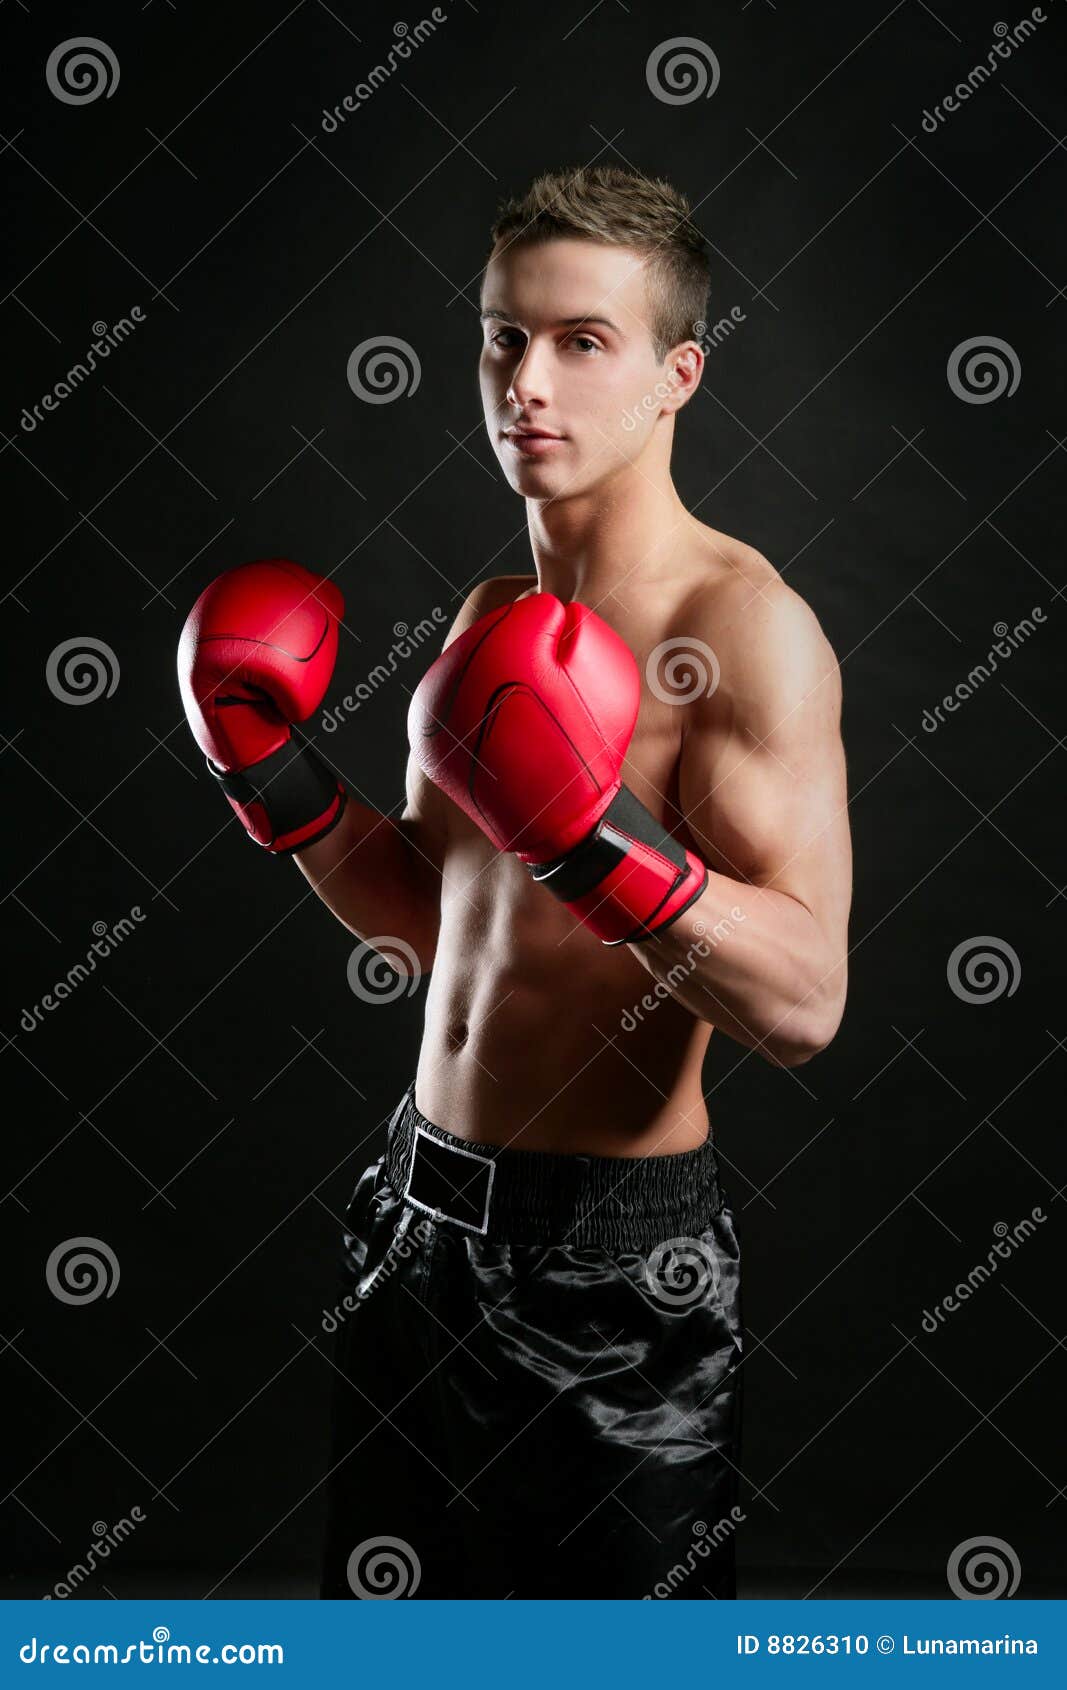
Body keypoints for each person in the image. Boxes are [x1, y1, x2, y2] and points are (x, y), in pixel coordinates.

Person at [177, 164, 851, 1599]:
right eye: (501, 335)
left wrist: (593, 832)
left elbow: (805, 1001)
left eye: (578, 340)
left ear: (678, 374)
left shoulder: (746, 630)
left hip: (613, 1277)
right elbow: (431, 918)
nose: (524, 382)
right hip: (412, 1225)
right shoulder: (496, 616)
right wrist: (274, 774)